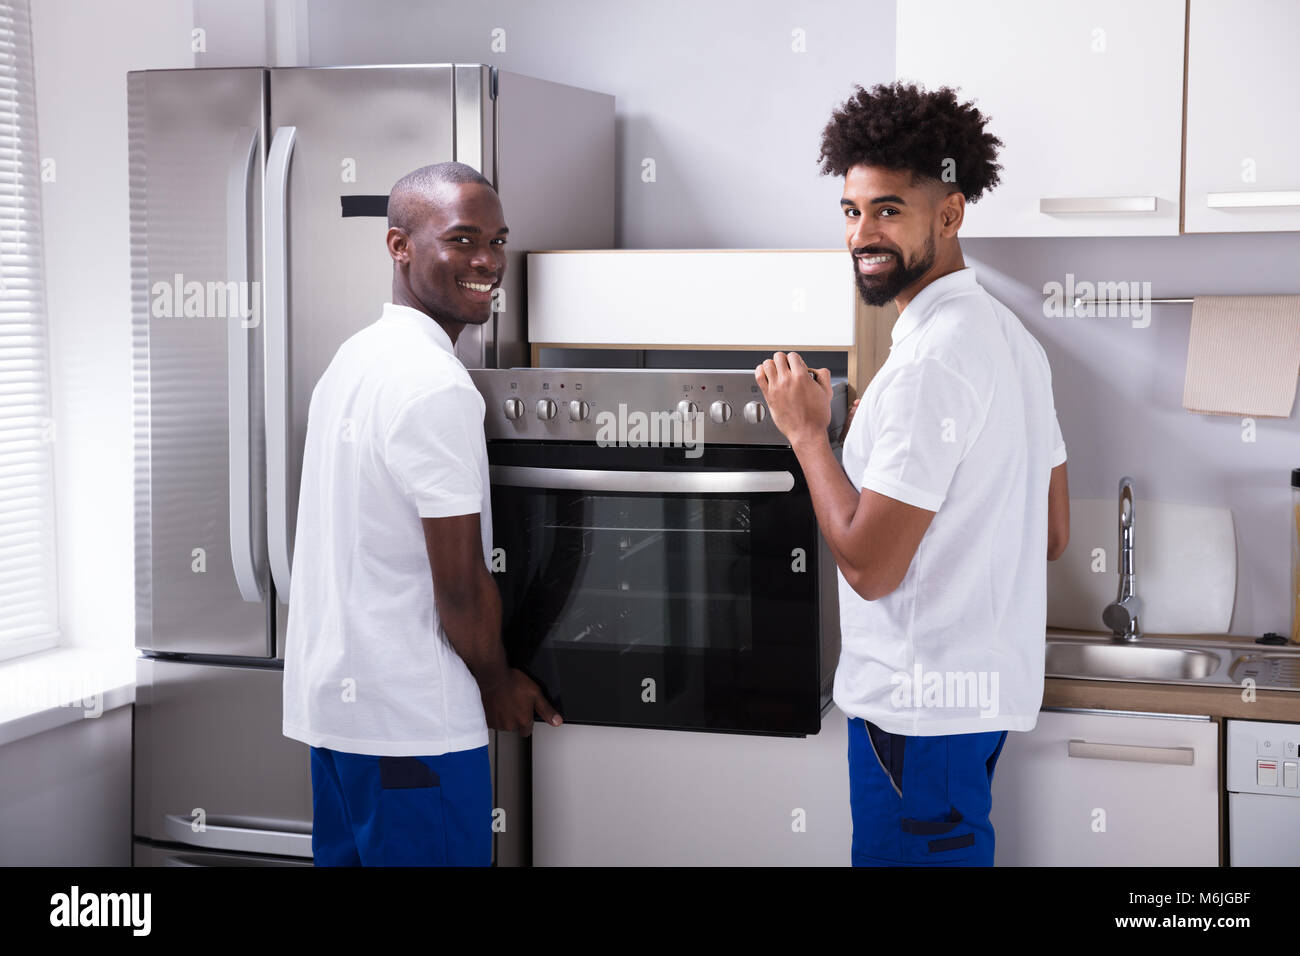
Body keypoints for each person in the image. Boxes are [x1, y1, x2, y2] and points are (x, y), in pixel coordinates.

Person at [756, 81, 1070, 867]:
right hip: (971, 715)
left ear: (950, 214)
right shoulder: (1011, 339)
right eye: (852, 211)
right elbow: (1053, 531)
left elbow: (869, 567)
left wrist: (808, 437)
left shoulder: (929, 363)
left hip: (916, 720)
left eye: (889, 210)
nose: (863, 233)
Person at [282, 161, 561, 867]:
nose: (487, 262)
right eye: (462, 239)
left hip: (340, 724)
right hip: (414, 732)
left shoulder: (356, 357)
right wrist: (498, 683)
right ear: (399, 246)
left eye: (497, 241)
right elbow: (460, 582)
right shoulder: (434, 384)